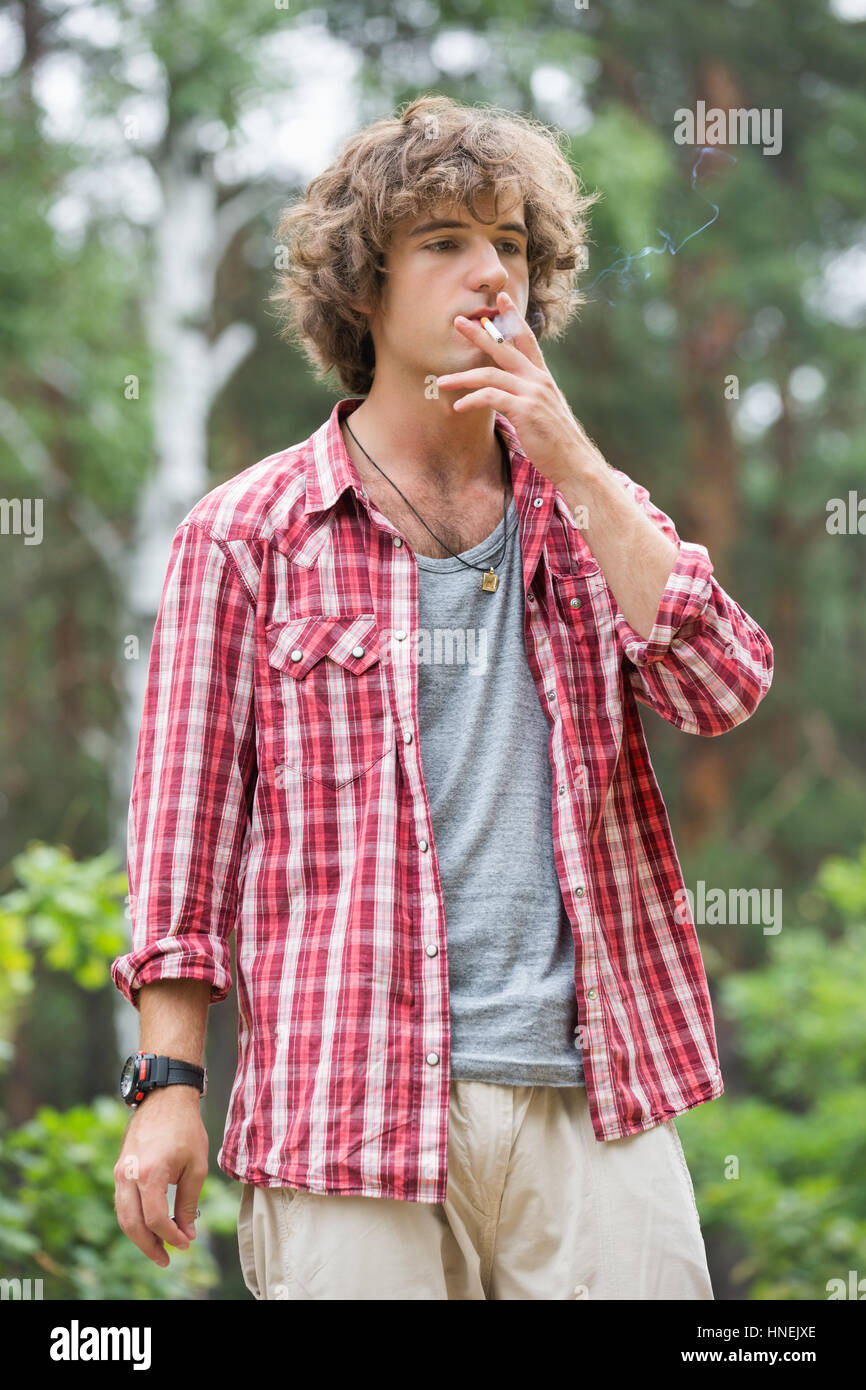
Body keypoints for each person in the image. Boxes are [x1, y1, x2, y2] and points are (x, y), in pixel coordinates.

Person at [111, 94, 773, 1301]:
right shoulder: (244, 534)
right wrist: (167, 1089)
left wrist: (574, 465)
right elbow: (180, 845)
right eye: (444, 243)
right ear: (364, 286)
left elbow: (722, 686)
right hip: (342, 1110)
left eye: (511, 245)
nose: (490, 276)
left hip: (598, 1098)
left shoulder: (588, 509)